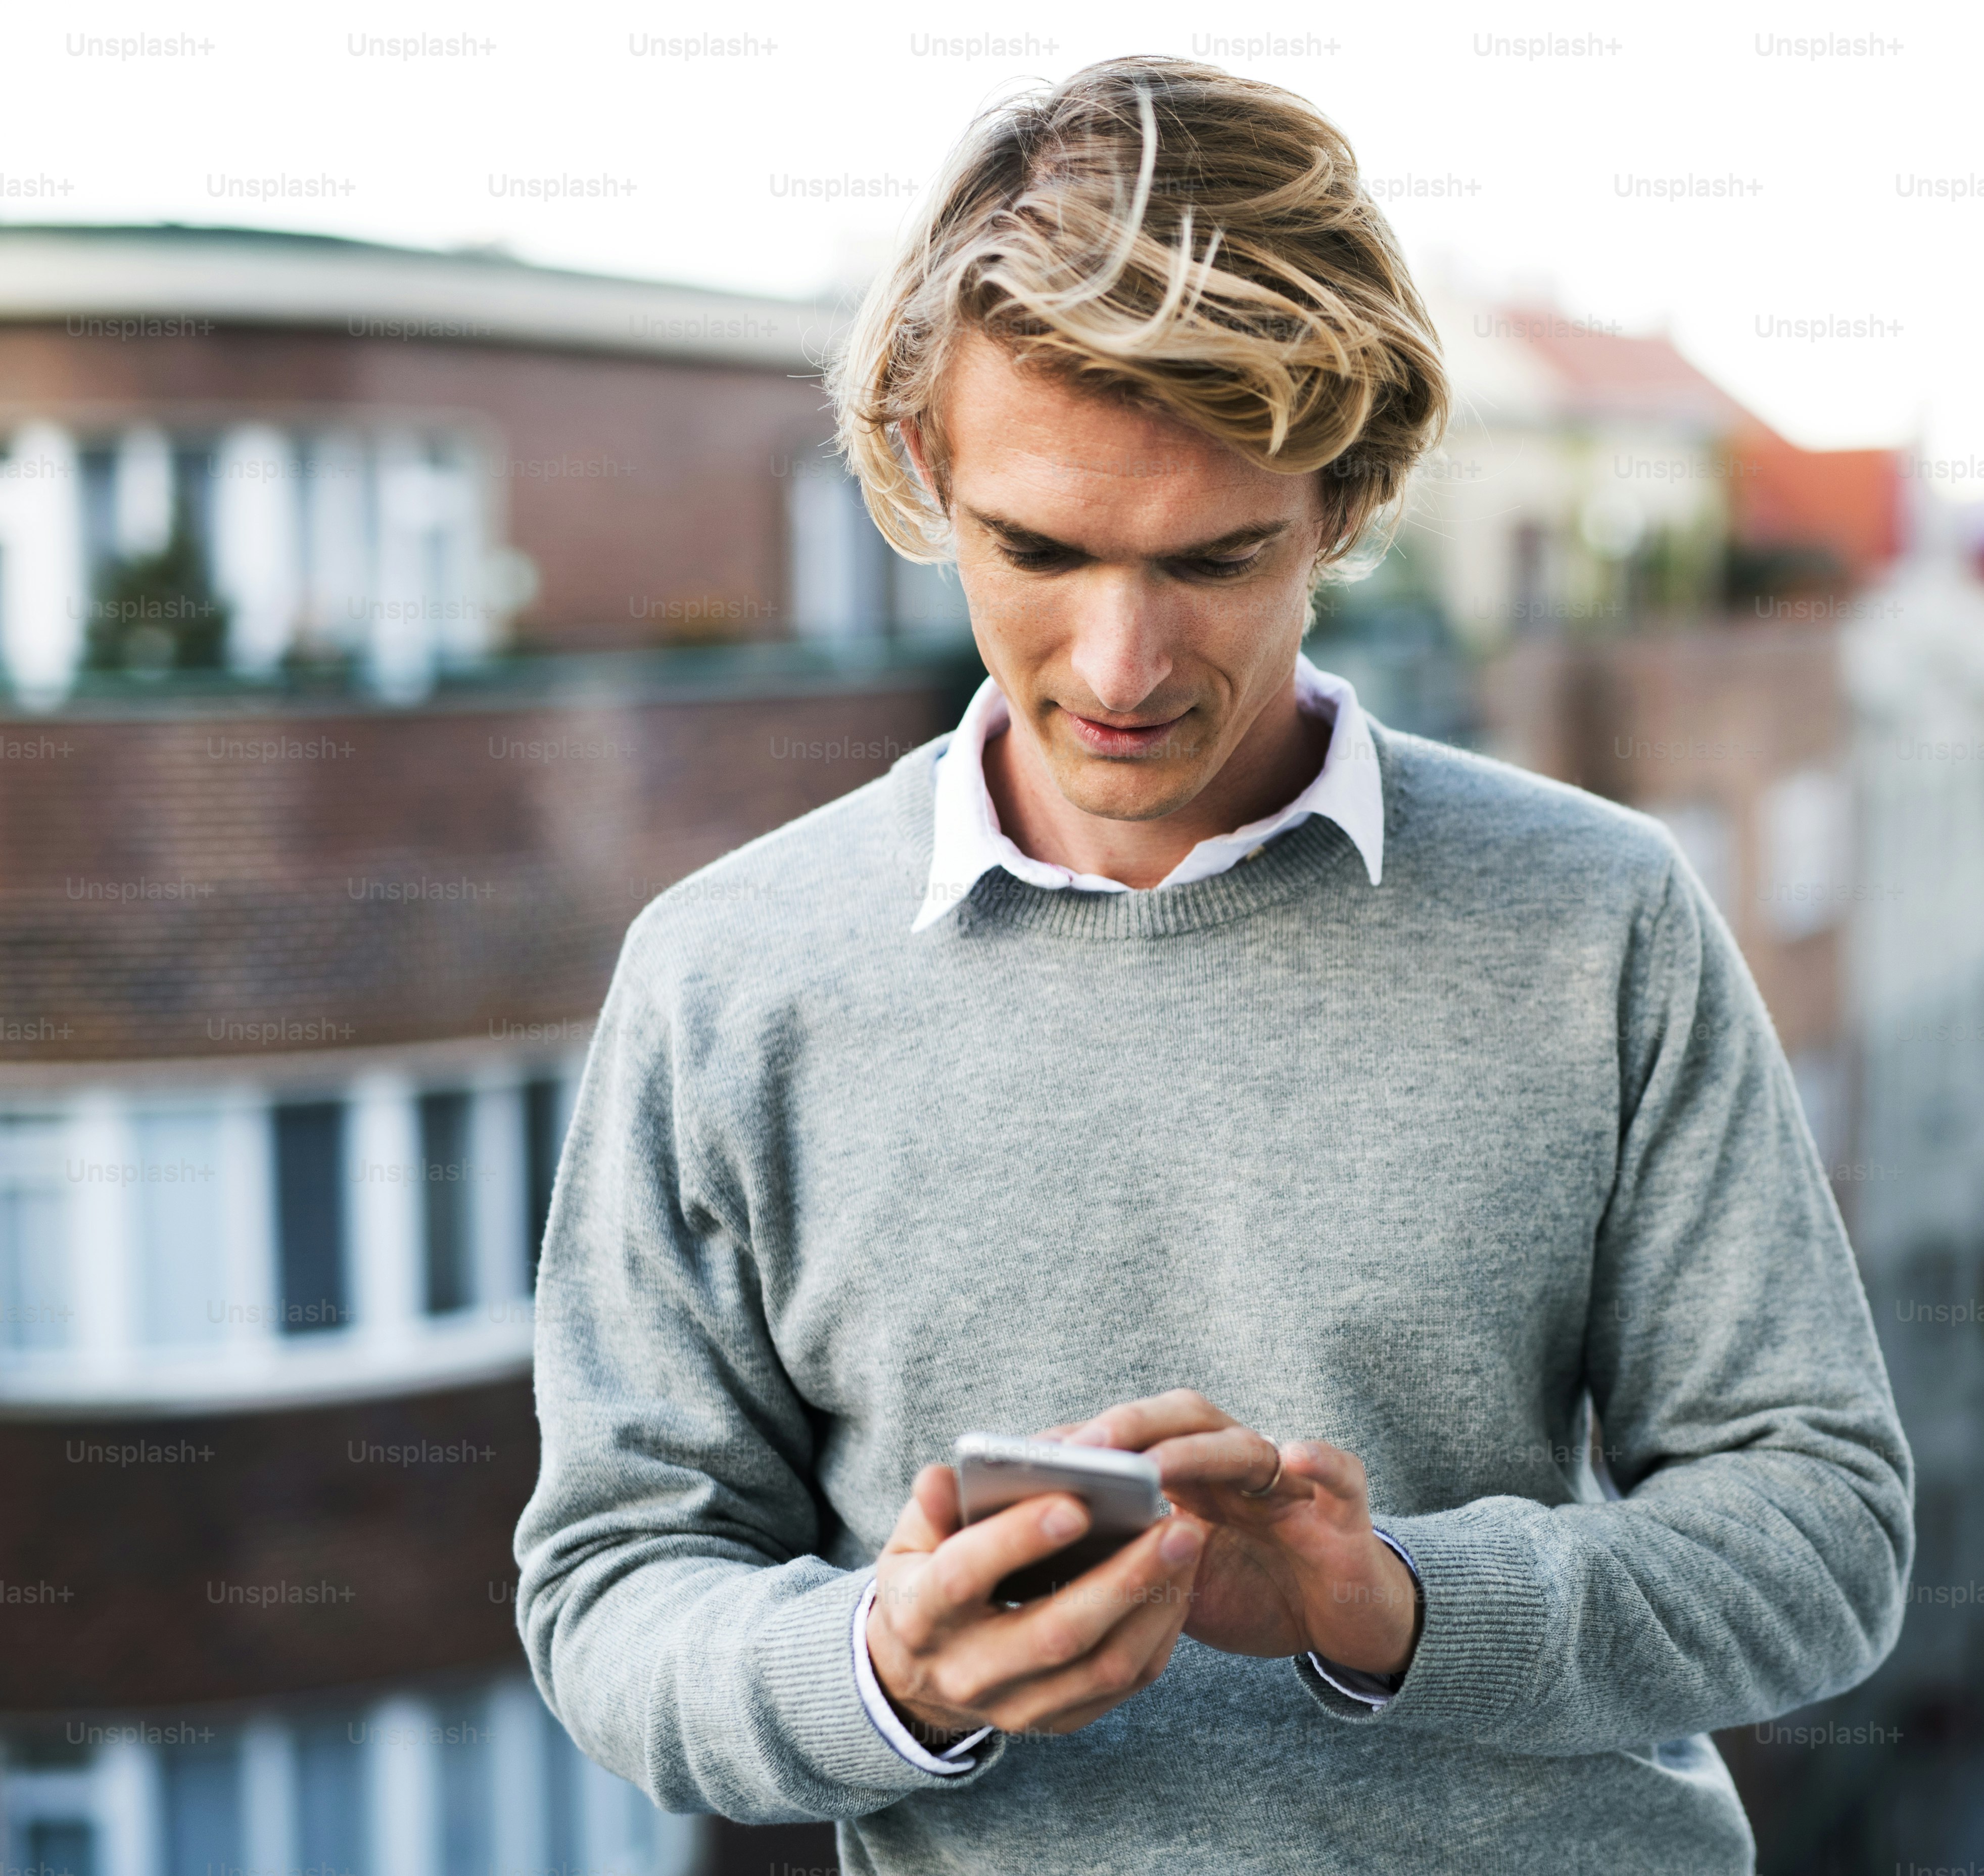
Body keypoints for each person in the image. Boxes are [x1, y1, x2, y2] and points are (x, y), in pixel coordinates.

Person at [512, 55, 1912, 1874]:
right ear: (926, 469)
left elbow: (1823, 1541)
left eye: (1218, 559)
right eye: (1038, 550)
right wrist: (882, 1670)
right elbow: (611, 1593)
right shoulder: (728, 978)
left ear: (1345, 497)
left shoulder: (1601, 919)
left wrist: (1392, 1603)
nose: (1118, 663)